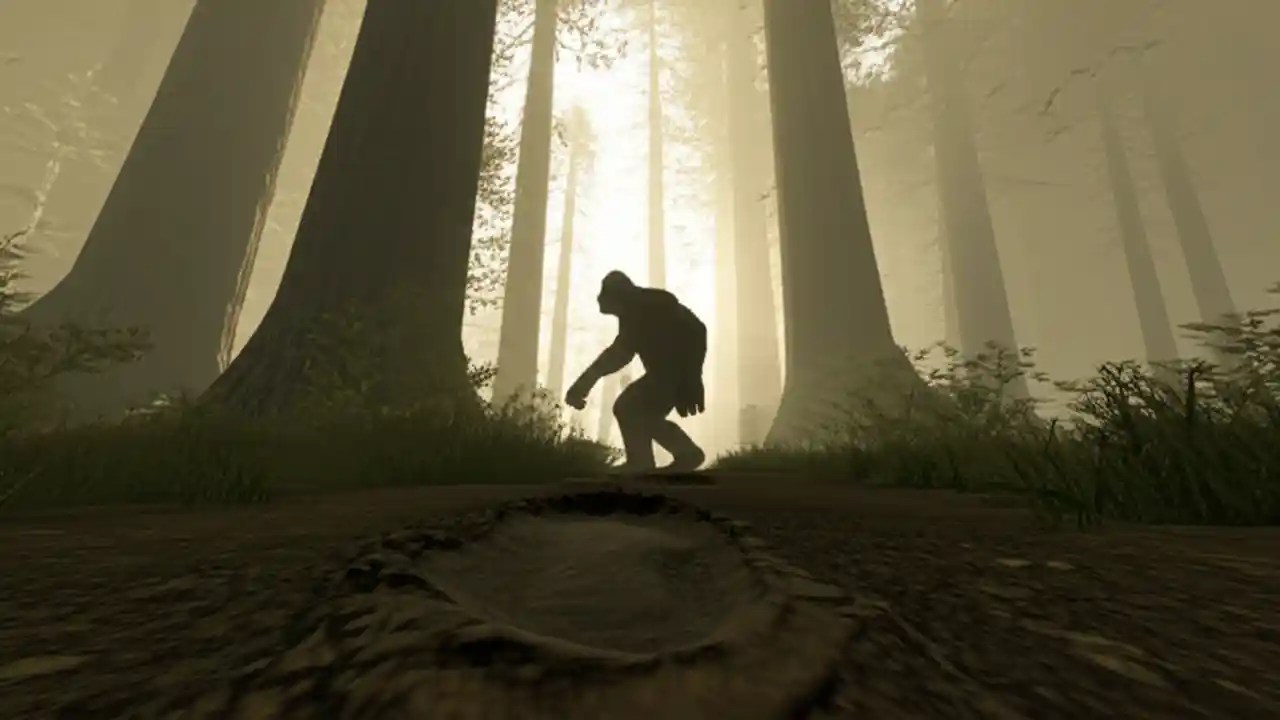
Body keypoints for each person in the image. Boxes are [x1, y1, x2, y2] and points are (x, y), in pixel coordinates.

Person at [565, 271, 707, 472]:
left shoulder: (645, 309)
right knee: (637, 411)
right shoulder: (640, 308)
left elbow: (619, 354)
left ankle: (671, 456)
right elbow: (621, 353)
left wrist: (691, 377)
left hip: (672, 374)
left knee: (630, 408)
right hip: (670, 373)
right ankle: (659, 458)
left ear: (617, 297)